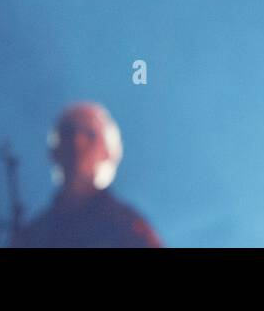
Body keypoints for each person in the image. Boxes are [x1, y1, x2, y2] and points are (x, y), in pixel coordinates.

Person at [11, 101, 162, 248]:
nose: (77, 142)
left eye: (90, 135)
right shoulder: (35, 235)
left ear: (108, 151)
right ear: (54, 151)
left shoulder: (127, 227)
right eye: (68, 133)